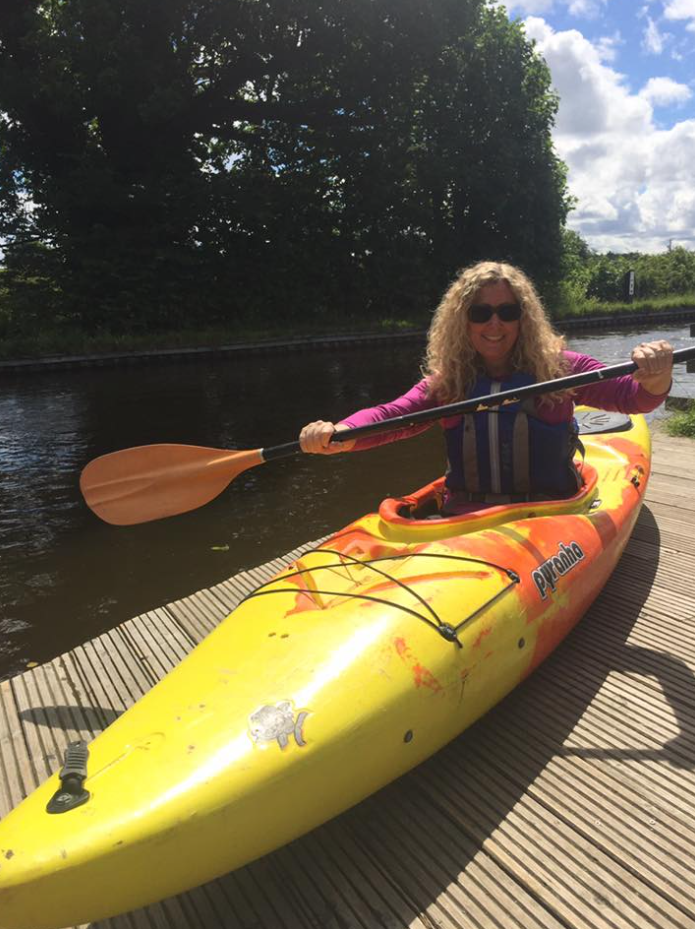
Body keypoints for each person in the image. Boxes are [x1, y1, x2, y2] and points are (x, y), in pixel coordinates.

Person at [299, 261, 674, 514]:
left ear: (523, 318)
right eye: (480, 313)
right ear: (463, 321)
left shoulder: (563, 368)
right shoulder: (449, 383)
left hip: (551, 513)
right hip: (467, 516)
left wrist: (655, 375)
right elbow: (394, 416)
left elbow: (632, 397)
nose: (495, 324)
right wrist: (343, 433)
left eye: (507, 312)